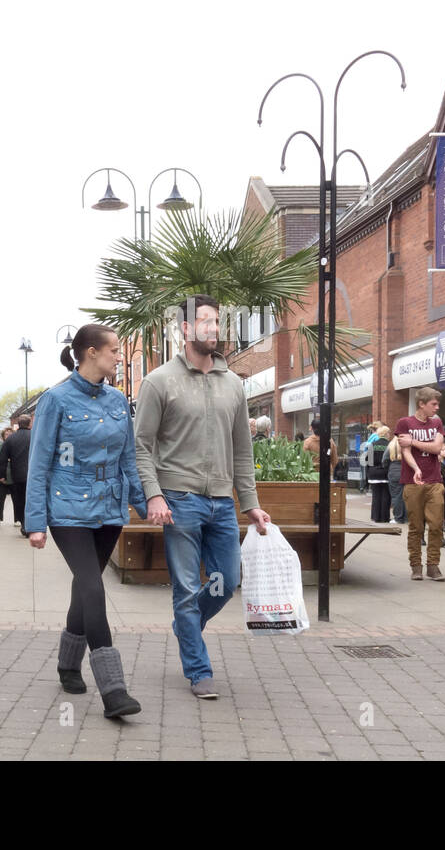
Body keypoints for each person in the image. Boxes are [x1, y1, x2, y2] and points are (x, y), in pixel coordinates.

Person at [136, 294, 271, 700]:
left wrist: (251, 503)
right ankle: (199, 670)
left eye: (218, 322)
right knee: (184, 587)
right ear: (186, 329)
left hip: (222, 502)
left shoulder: (233, 384)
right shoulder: (158, 381)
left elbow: (242, 449)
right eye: (207, 322)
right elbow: (141, 446)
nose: (215, 329)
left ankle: (185, 626)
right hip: (178, 501)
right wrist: (154, 496)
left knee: (227, 581)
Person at [27, 324, 149, 718]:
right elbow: (39, 464)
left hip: (109, 510)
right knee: (94, 588)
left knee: (85, 590)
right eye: (114, 350)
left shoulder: (117, 401)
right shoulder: (55, 400)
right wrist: (35, 522)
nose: (119, 356)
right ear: (91, 353)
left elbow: (128, 460)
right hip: (67, 511)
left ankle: (67, 664)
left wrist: (147, 505)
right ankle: (114, 689)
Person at [396, 387, 445, 581]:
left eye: (437, 404)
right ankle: (416, 565)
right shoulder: (405, 423)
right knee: (416, 526)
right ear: (421, 404)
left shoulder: (437, 422)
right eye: (433, 404)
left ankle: (433, 565)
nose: (437, 407)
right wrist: (416, 469)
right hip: (412, 481)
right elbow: (405, 451)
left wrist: (414, 441)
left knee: (436, 525)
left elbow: (436, 447)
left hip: (434, 480)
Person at [0, 415, 34, 536]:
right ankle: (32, 524)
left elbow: (2, 459)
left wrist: (2, 475)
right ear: (29, 424)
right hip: (34, 475)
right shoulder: (35, 436)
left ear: (18, 424)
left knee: (19, 501)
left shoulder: (11, 439)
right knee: (32, 501)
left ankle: (23, 524)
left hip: (17, 476)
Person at [368, 425, 393, 523]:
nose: (389, 435)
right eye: (389, 433)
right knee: (386, 495)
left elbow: (369, 461)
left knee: (376, 496)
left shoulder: (372, 444)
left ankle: (375, 517)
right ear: (386, 434)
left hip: (374, 473)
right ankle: (384, 517)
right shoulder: (390, 445)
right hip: (386, 473)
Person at [0, 426, 14, 526]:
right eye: (6, 434)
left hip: (14, 479)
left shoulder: (17, 447)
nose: (8, 436)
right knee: (0, 499)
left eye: (10, 434)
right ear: (3, 436)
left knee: (17, 501)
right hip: (1, 479)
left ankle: (18, 519)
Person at [384, 433, 406, 525]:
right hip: (406, 472)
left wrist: (388, 468)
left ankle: (398, 518)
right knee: (407, 496)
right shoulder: (406, 445)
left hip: (393, 472)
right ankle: (406, 517)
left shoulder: (391, 445)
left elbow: (384, 460)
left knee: (396, 496)